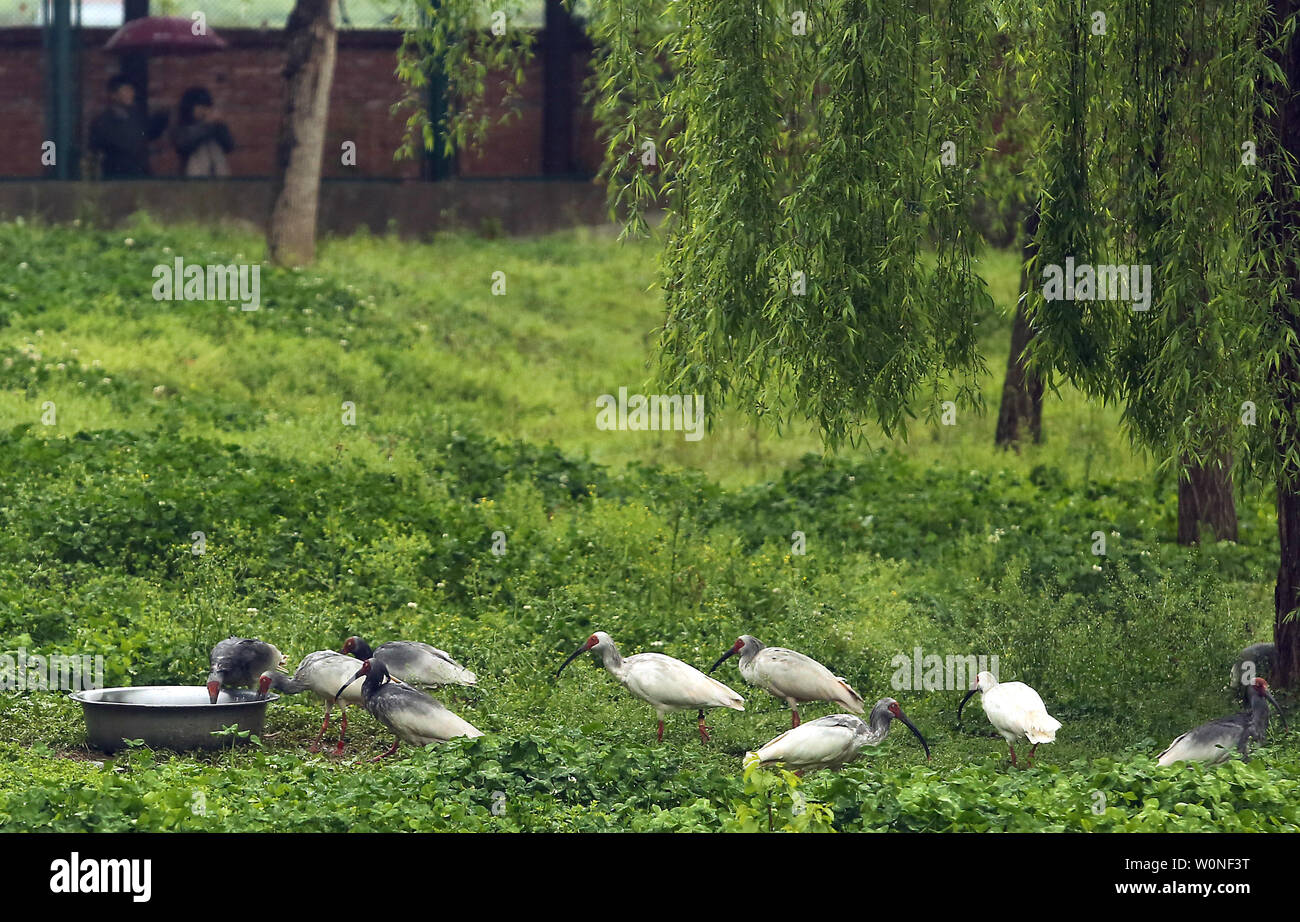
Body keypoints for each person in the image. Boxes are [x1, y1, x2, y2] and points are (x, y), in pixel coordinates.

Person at [88, 75, 169, 179]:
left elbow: (147, 134)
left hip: (139, 174)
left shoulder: (136, 116)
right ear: (114, 95)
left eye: (131, 90)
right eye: (126, 90)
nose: (131, 93)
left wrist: (161, 119)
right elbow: (123, 144)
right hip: (117, 175)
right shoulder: (104, 120)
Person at [172, 87, 235, 177]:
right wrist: (207, 126)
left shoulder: (215, 125)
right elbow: (183, 144)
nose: (203, 110)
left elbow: (229, 146)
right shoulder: (183, 125)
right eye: (200, 106)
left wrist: (220, 126)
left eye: (206, 107)